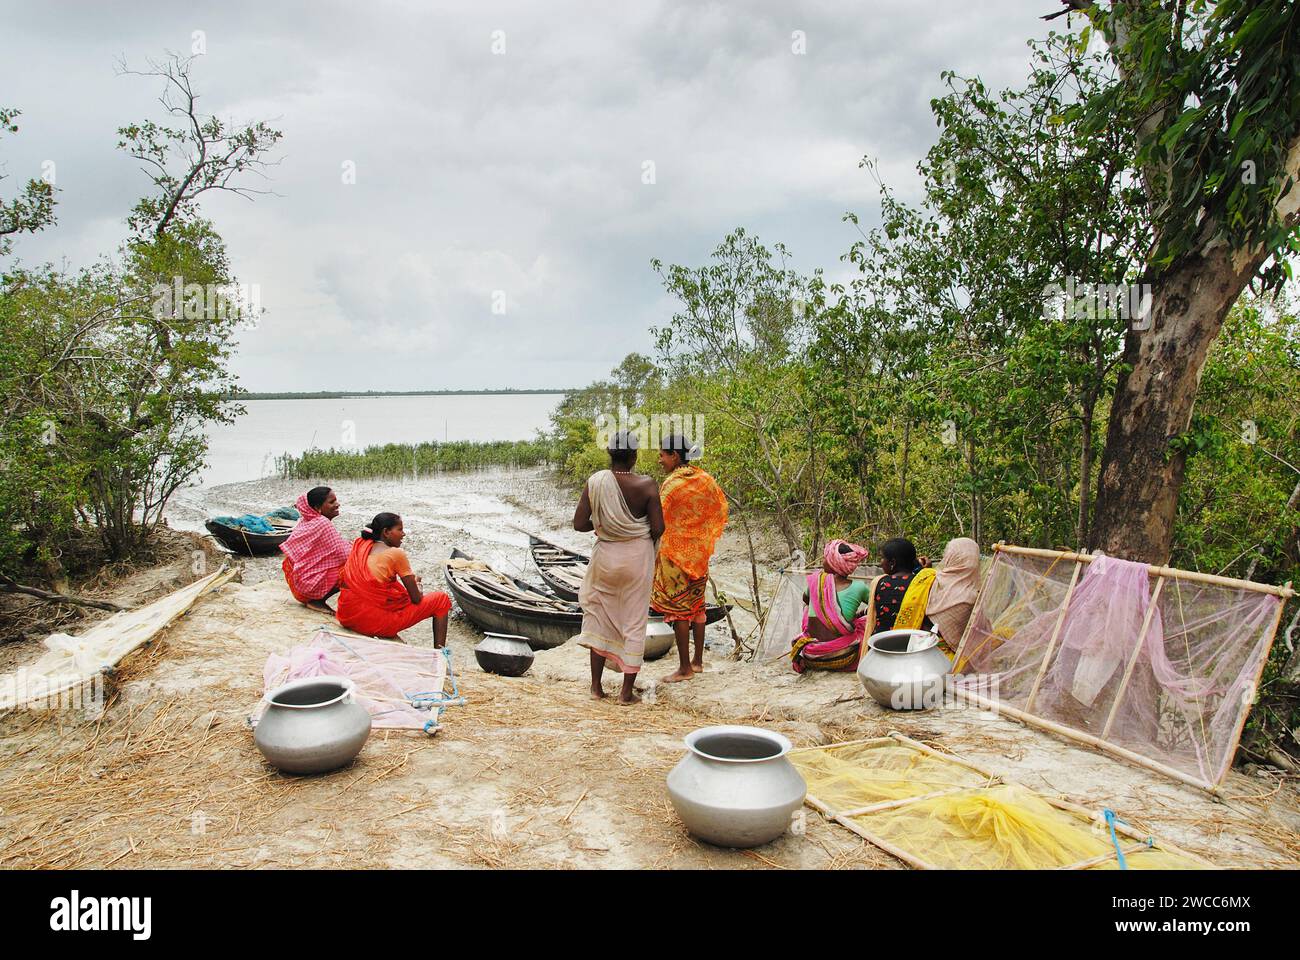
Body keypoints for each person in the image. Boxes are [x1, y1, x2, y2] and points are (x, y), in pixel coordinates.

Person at [572, 431, 664, 704]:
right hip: (636, 560)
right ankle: (625, 693)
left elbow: (579, 524)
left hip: (605, 559)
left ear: (610, 454)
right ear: (634, 456)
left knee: (600, 619)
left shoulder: (596, 482)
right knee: (634, 622)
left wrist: (604, 526)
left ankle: (596, 688)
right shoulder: (647, 485)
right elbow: (659, 528)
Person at [652, 433, 728, 683]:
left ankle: (684, 668)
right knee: (697, 605)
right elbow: (719, 507)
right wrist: (703, 535)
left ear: (674, 456)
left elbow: (658, 518)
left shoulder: (672, 484)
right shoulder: (704, 479)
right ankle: (697, 661)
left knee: (679, 610)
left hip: (675, 554)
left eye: (662, 455)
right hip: (698, 553)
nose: (660, 460)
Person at [336, 512, 450, 645]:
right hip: (370, 623)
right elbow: (416, 598)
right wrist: (418, 584)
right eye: (400, 529)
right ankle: (441, 653)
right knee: (441, 600)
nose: (404, 534)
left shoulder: (361, 544)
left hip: (347, 616)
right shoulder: (396, 553)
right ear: (386, 532)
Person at [790, 540, 877, 673]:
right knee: (867, 620)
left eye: (826, 559)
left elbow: (806, 600)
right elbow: (876, 605)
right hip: (844, 655)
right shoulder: (859, 587)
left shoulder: (816, 581)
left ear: (833, 563)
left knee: (809, 609)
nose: (823, 562)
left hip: (812, 655)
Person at [280, 486, 350, 611]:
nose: (337, 504)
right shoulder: (323, 523)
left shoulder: (305, 520)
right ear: (318, 508)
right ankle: (317, 600)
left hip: (298, 586)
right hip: (308, 589)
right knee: (354, 567)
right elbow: (345, 555)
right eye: (331, 502)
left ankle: (315, 598)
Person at [925, 537, 981, 654]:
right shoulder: (972, 595)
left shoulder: (930, 579)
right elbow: (980, 632)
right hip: (957, 656)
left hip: (926, 649)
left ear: (951, 556)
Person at [872, 537, 936, 634]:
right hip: (913, 643)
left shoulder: (880, 583)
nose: (881, 563)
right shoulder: (925, 582)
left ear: (892, 563)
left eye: (882, 558)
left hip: (880, 642)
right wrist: (925, 572)